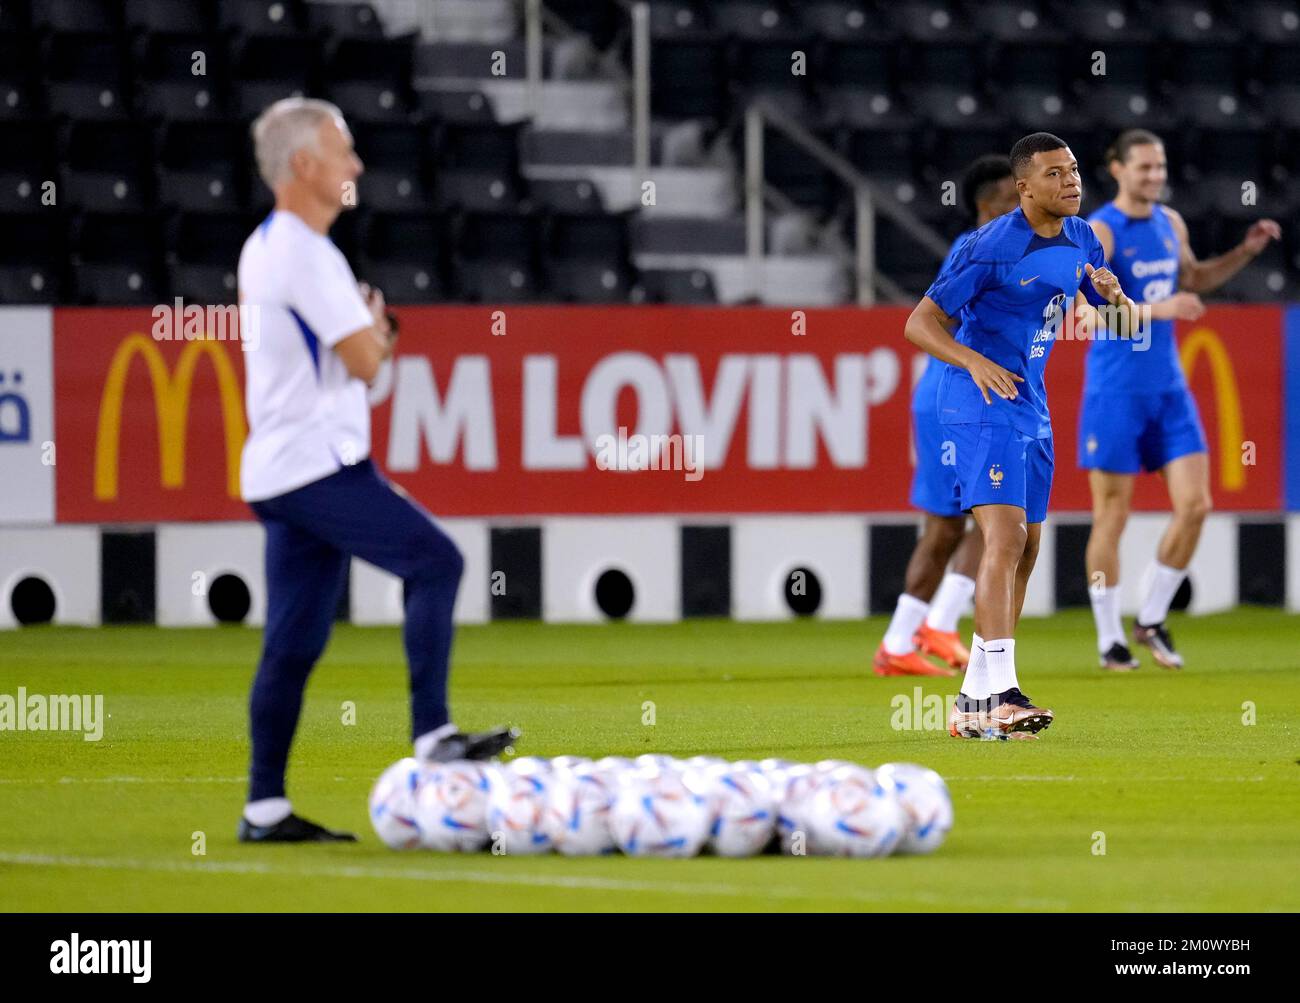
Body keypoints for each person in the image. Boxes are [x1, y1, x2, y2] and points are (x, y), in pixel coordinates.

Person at [236, 98, 515, 842]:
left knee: (293, 644)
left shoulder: (267, 246)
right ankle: (433, 735)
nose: (356, 166)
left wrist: (365, 332)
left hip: (281, 467)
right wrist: (376, 331)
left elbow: (346, 359)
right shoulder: (307, 251)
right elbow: (364, 363)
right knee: (437, 562)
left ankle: (264, 808)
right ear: (304, 166)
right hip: (316, 465)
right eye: (343, 152)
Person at [903, 132, 1138, 739]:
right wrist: (971, 360)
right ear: (1023, 188)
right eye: (1056, 175)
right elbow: (919, 323)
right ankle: (1005, 692)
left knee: (1028, 549)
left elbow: (1121, 325)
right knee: (1003, 541)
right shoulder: (988, 247)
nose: (1072, 182)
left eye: (1075, 170)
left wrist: (1116, 301)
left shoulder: (1083, 238)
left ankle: (971, 704)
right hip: (980, 402)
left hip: (1030, 404)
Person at [1081, 129, 1282, 670]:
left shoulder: (1171, 224)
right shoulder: (1101, 230)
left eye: (1160, 166)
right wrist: (1161, 310)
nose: (1155, 176)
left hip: (1169, 389)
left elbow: (1192, 277)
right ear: (1118, 169)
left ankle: (1150, 619)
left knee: (1196, 506)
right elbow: (1087, 315)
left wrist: (1244, 253)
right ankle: (1109, 639)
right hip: (1115, 389)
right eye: (1144, 167)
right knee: (1112, 515)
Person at [875, 155, 1019, 678]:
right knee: (951, 526)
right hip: (951, 398)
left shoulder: (1011, 247)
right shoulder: (977, 248)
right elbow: (934, 322)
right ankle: (912, 635)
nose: (1024, 197)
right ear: (987, 203)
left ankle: (923, 629)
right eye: (1013, 191)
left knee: (990, 517)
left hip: (975, 397)